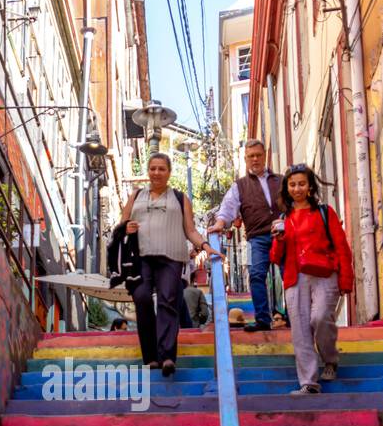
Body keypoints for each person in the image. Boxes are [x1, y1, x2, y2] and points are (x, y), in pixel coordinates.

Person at [119, 153, 220, 377]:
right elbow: (122, 224)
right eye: (153, 168)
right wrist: (126, 228)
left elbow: (190, 229)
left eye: (161, 169)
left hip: (171, 256)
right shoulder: (136, 196)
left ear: (169, 172)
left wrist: (204, 245)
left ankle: (166, 357)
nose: (156, 173)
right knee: (142, 297)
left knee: (168, 301)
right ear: (148, 171)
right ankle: (150, 356)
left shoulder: (179, 197)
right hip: (140, 256)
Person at [271, 164, 354, 394]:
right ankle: (308, 382)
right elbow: (276, 257)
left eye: (301, 184)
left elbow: (342, 247)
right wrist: (278, 238)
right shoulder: (283, 219)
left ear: (309, 187)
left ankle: (330, 359)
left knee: (320, 318)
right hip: (294, 277)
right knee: (299, 329)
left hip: (325, 275)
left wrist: (346, 280)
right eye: (292, 184)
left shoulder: (325, 212)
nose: (297, 188)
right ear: (287, 189)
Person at [207, 139, 283, 332]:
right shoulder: (239, 186)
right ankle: (263, 319)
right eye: (251, 156)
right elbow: (227, 209)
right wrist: (219, 224)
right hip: (257, 237)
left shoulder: (280, 180)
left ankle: (293, 317)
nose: (255, 159)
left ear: (264, 155)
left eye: (258, 155)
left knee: (290, 275)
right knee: (256, 275)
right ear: (246, 159)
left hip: (284, 235)